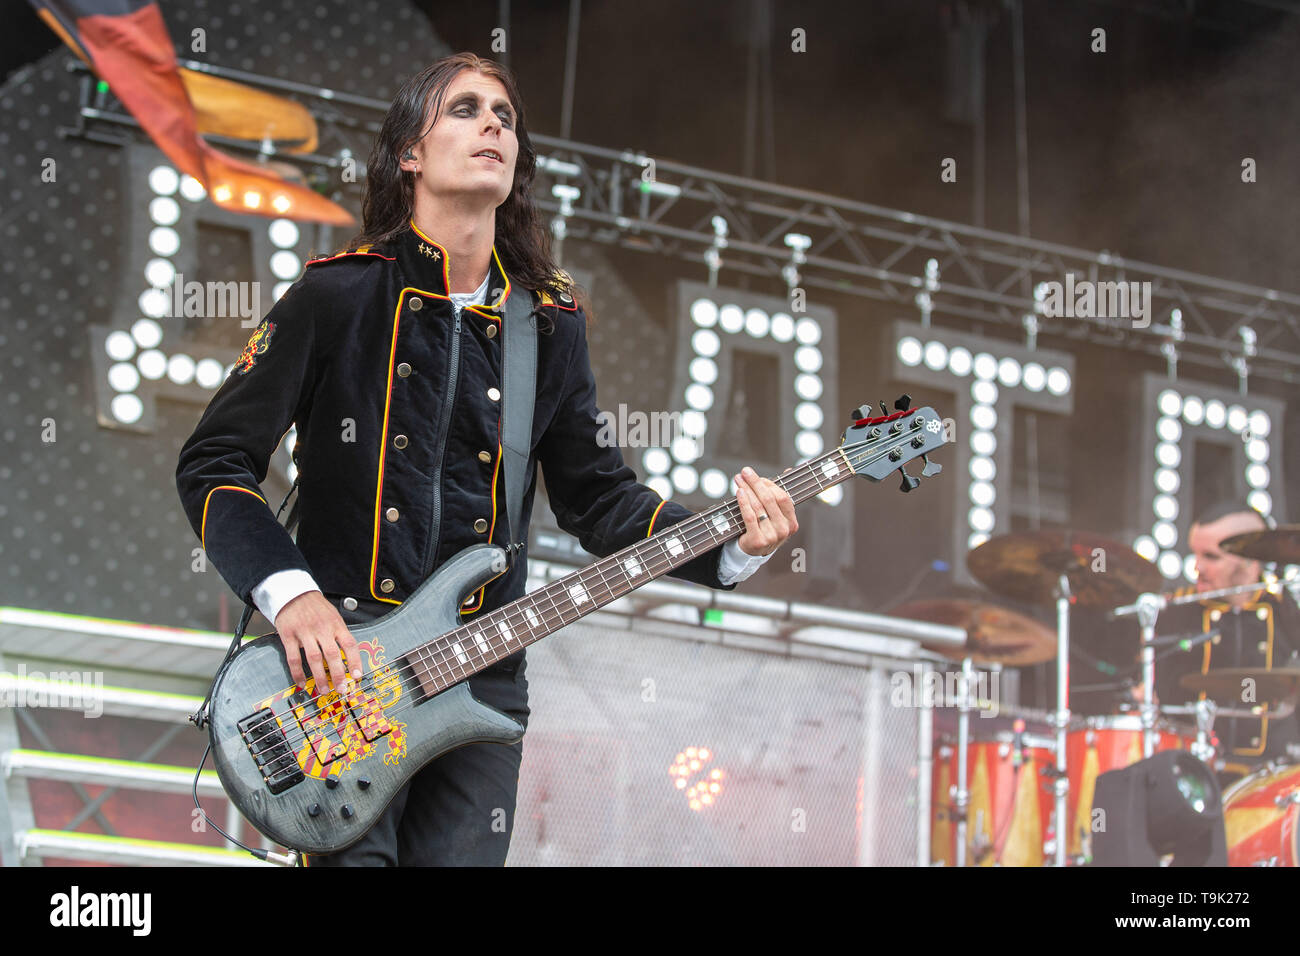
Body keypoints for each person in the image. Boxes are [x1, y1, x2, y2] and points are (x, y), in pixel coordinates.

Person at [175, 52, 797, 865]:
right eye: (466, 110)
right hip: (343, 676)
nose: (493, 125)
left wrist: (730, 546)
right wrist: (294, 599)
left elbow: (598, 497)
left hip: (480, 678)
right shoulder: (338, 296)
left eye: (504, 115)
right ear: (410, 153)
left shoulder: (547, 324)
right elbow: (215, 461)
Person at [1149, 500, 1300, 774]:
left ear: (1248, 558)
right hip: (1191, 775)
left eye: (1211, 557)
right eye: (1195, 554)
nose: (1197, 567)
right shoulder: (1177, 613)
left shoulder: (1287, 611)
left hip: (1272, 780)